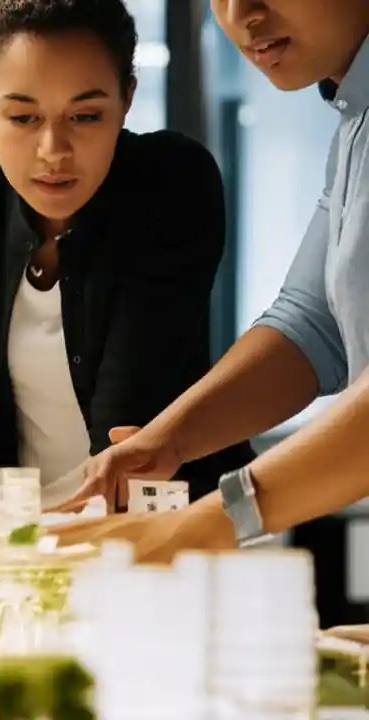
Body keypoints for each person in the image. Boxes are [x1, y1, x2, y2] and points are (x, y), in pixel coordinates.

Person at [53, 0, 369, 562]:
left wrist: (203, 524)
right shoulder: (356, 120)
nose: (240, 13)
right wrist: (166, 439)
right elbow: (311, 324)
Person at [0, 0, 253, 508]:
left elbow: (127, 419)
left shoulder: (171, 181)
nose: (54, 150)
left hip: (172, 521)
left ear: (127, 98)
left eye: (86, 116)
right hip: (28, 528)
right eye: (23, 117)